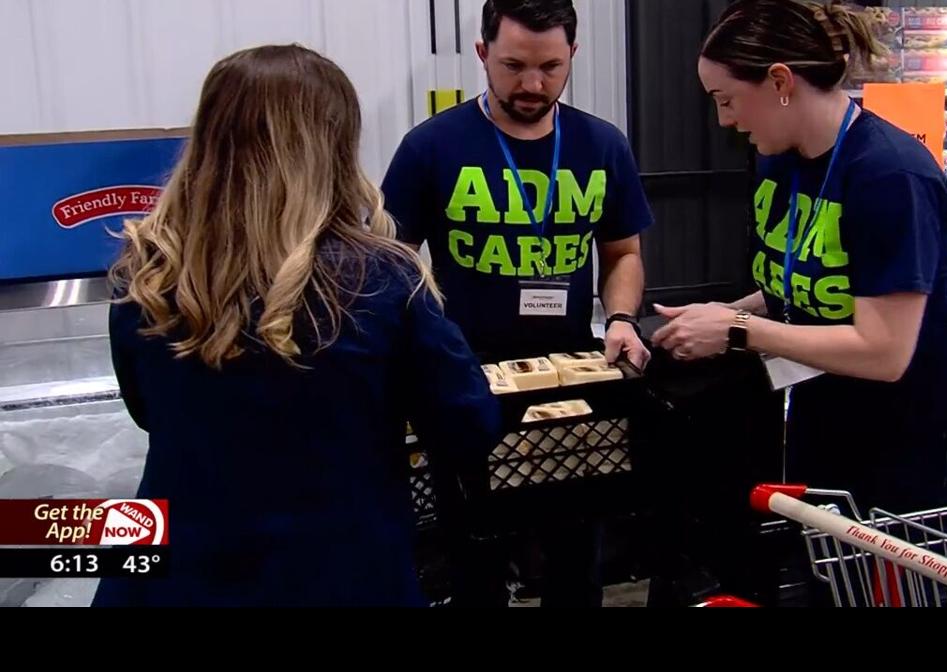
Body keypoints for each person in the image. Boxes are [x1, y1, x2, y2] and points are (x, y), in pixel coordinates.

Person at [92, 44, 500, 608]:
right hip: (341, 576)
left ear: (210, 141)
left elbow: (145, 411)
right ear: (333, 147)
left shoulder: (147, 273)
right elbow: (468, 424)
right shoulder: (382, 278)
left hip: (174, 578)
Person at [653, 0, 947, 517]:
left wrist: (736, 328)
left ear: (781, 82)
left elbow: (884, 351)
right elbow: (802, 279)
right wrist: (716, 316)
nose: (725, 119)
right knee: (829, 567)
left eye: (728, 99)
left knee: (891, 582)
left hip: (911, 425)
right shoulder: (780, 156)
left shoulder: (890, 176)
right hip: (826, 401)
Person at [381, 0, 655, 607]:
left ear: (573, 57)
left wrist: (622, 320)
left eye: (551, 68)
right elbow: (391, 262)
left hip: (573, 373)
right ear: (482, 54)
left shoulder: (601, 144)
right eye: (513, 66)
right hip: (465, 375)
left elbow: (623, 254)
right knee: (472, 550)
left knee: (575, 546)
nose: (533, 85)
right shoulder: (430, 147)